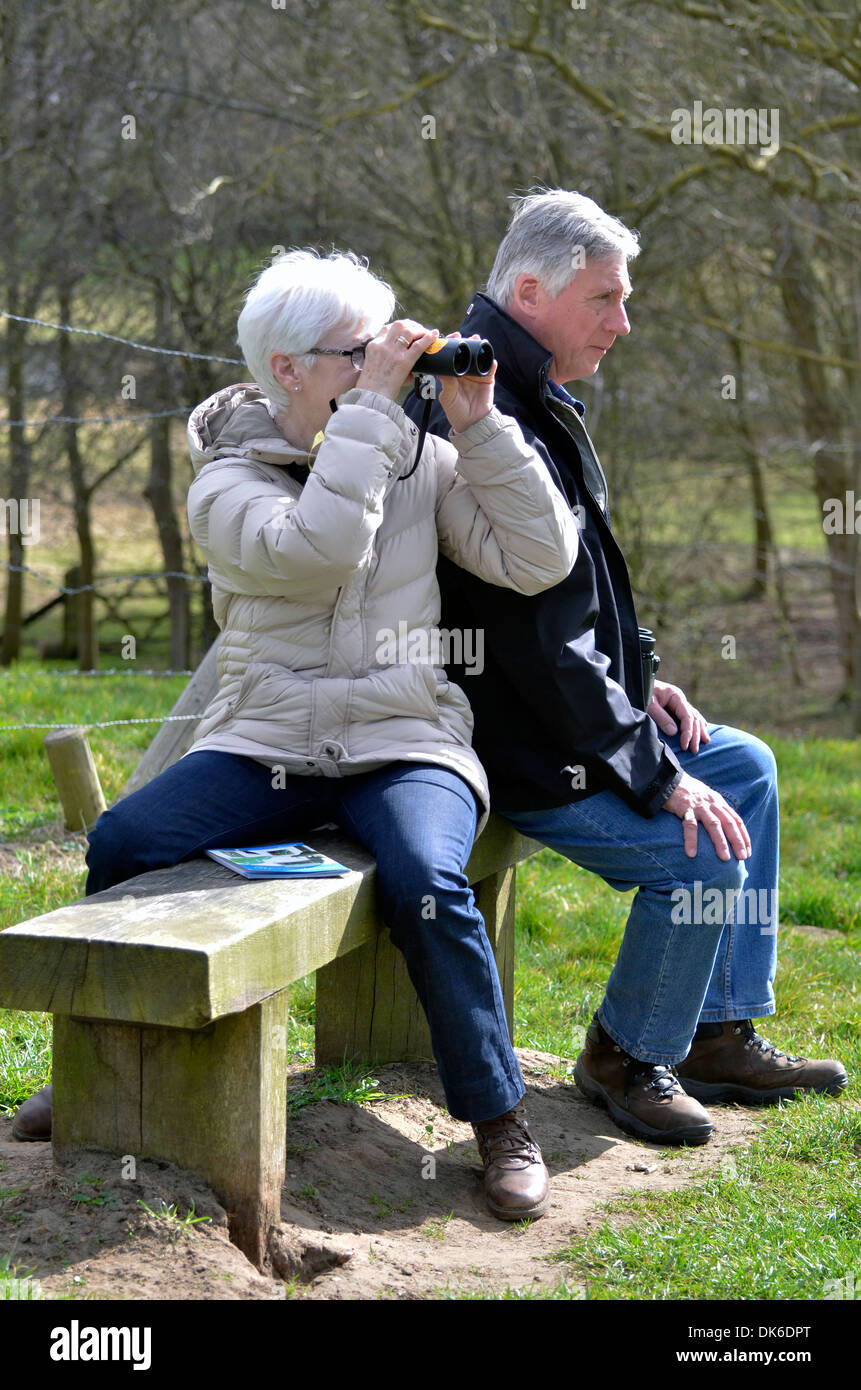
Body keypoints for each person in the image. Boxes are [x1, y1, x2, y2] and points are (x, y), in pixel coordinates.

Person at [12, 249, 579, 1221]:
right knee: (124, 843)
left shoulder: (413, 451)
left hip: (406, 735)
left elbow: (541, 557)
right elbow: (319, 549)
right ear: (288, 369)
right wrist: (373, 412)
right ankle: (99, 1055)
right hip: (266, 739)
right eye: (358, 352)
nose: (383, 367)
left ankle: (498, 1120)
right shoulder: (227, 481)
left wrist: (480, 428)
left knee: (429, 884)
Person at [406, 190, 846, 1146]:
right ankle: (624, 1053)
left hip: (574, 710)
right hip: (510, 738)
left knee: (747, 770)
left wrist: (638, 677)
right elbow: (525, 645)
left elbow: (576, 590)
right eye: (604, 299)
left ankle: (715, 1031)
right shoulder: (471, 406)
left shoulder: (524, 389)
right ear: (530, 290)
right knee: (697, 845)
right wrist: (652, 771)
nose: (622, 321)